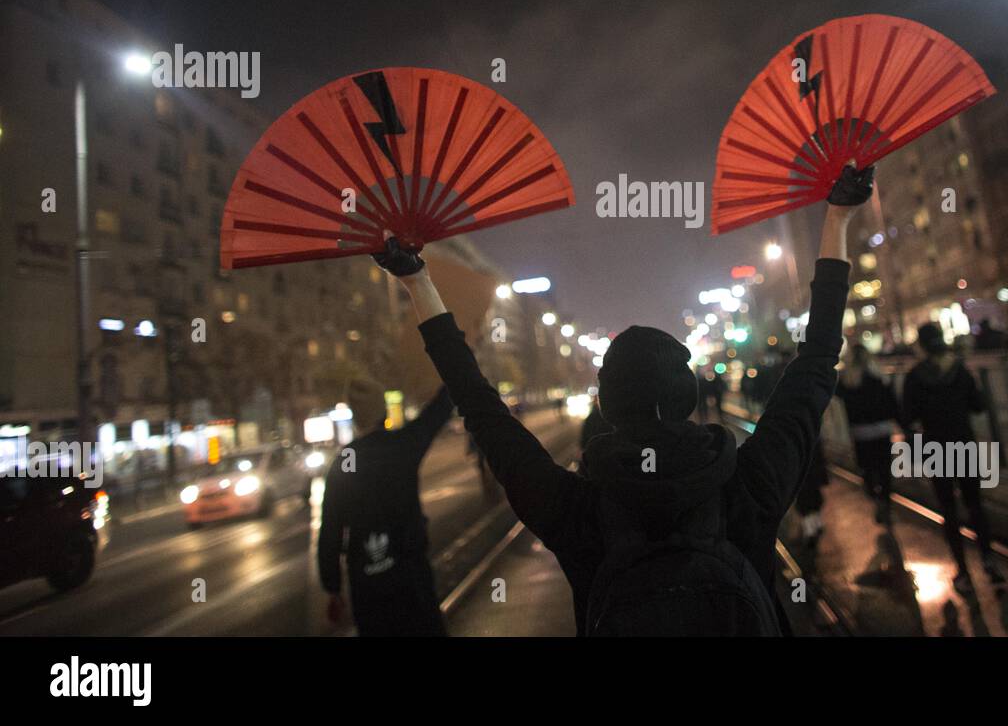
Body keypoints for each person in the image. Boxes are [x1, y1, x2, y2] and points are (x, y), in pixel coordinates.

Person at [369, 163, 871, 636]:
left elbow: (478, 404)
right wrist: (838, 216)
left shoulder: (577, 511)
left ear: (607, 406)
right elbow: (818, 357)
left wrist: (418, 280)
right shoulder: (748, 484)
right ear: (687, 395)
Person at [317, 382, 454, 636]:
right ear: (383, 411)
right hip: (411, 578)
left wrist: (333, 589)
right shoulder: (403, 444)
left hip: (367, 585)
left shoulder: (343, 464)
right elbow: (438, 411)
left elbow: (330, 533)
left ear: (356, 418)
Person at [902, 323, 1003, 595]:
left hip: (937, 449)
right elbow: (979, 405)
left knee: (949, 510)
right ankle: (989, 560)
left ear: (921, 345)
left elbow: (907, 417)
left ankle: (963, 572)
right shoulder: (959, 370)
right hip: (964, 444)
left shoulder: (915, 376)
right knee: (975, 505)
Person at [838, 344, 900, 525]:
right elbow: (892, 402)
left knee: (866, 468)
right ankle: (885, 503)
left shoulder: (848, 380)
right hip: (882, 430)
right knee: (884, 470)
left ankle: (874, 495)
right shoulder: (879, 377)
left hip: (860, 433)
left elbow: (837, 394)